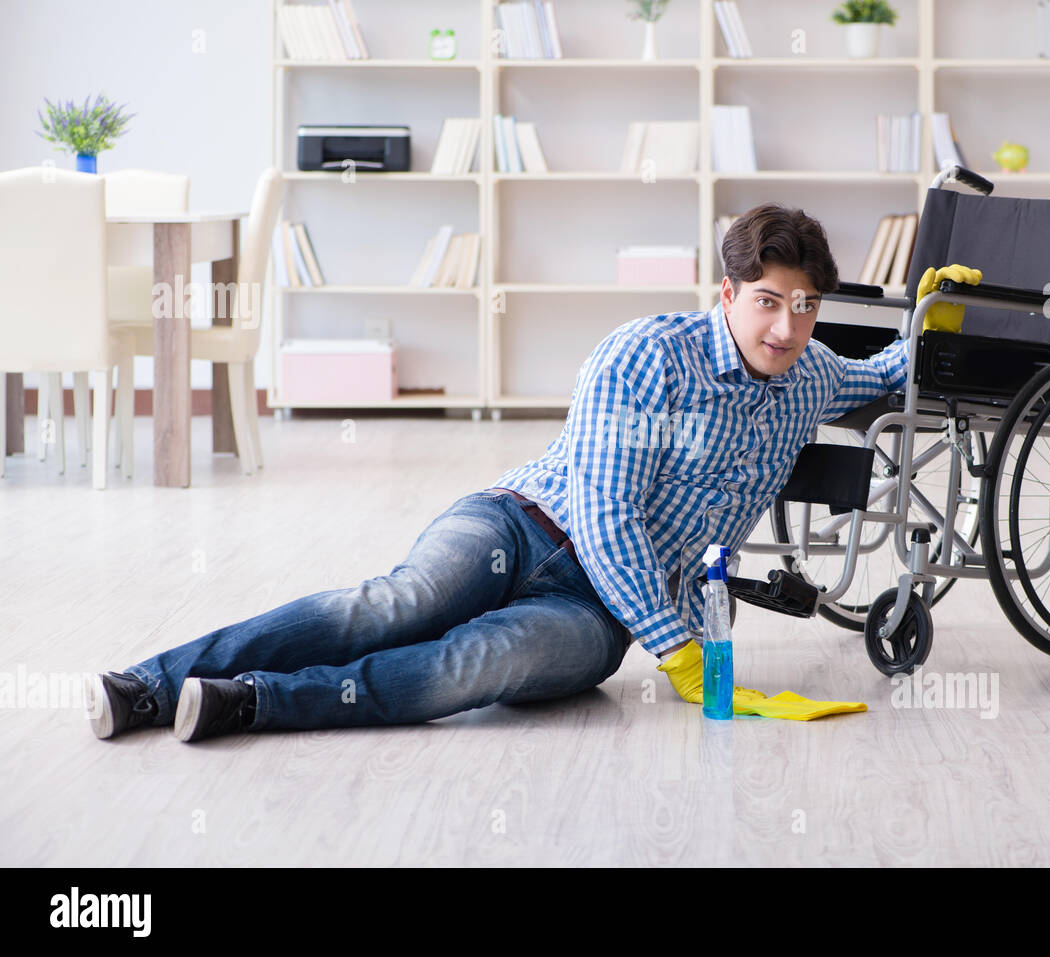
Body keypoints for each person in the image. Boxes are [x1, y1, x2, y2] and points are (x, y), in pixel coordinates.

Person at [86, 202, 973, 743]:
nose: (788, 327)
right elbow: (611, 514)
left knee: (467, 666)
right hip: (523, 525)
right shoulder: (644, 357)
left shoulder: (810, 369)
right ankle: (149, 685)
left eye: (808, 306)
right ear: (728, 293)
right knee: (395, 607)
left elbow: (885, 372)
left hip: (593, 612)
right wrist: (677, 649)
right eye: (770, 301)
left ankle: (247, 703)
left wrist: (937, 307)